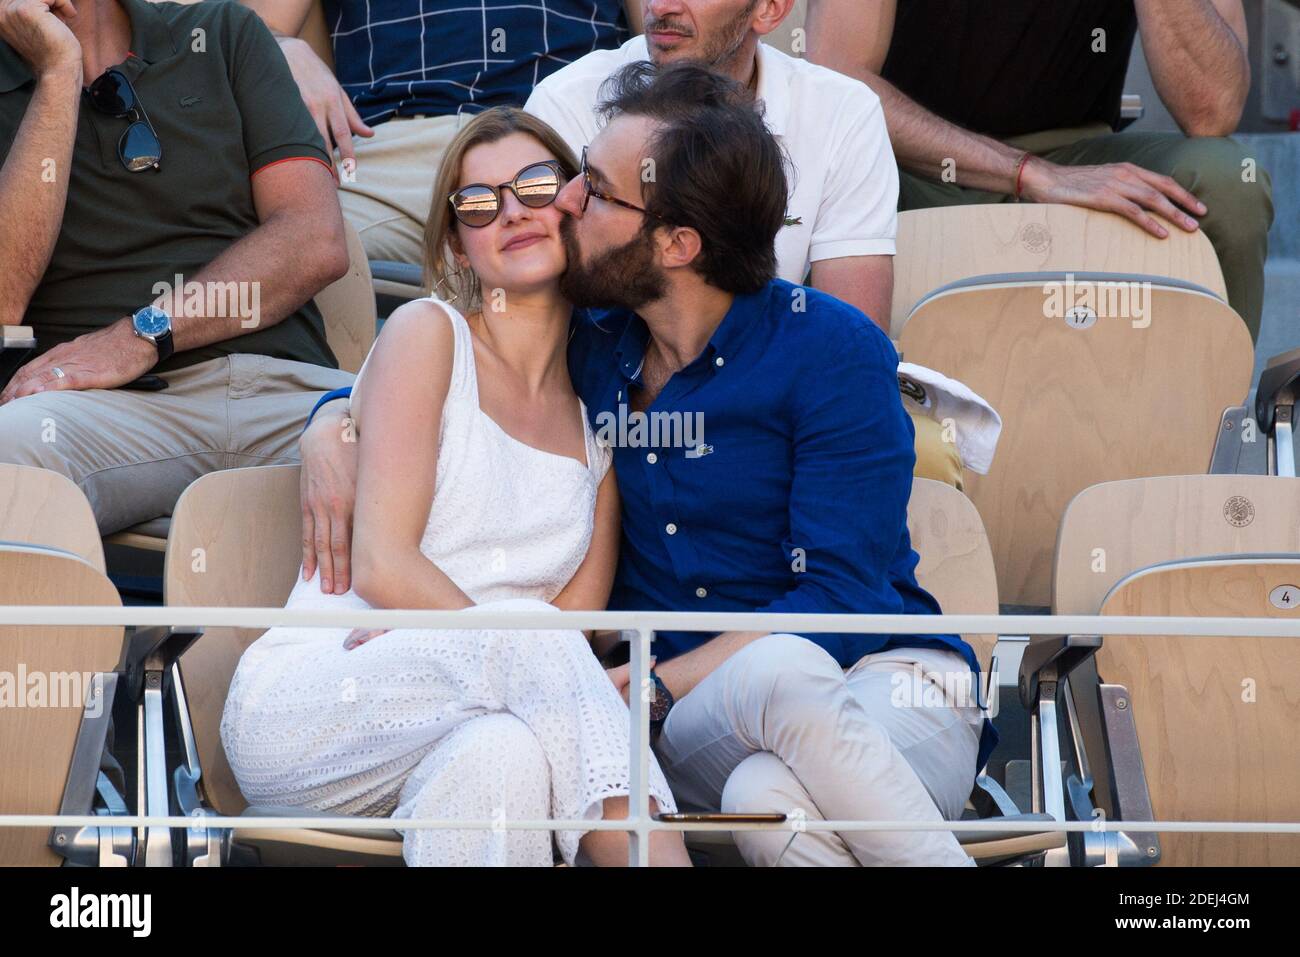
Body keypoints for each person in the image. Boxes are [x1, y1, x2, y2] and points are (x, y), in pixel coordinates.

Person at [302, 62, 996, 866]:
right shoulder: (594, 340)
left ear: (675, 243)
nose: (564, 200)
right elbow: (437, 361)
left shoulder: (832, 351)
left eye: (592, 190)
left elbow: (840, 600)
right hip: (697, 723)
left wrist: (665, 683)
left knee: (771, 766)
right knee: (760, 792)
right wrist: (332, 420)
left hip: (881, 684)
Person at [221, 106, 690, 868]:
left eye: (536, 186)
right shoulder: (428, 333)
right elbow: (382, 566)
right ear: (456, 246)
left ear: (577, 204)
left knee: (501, 757)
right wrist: (487, 637)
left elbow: (574, 625)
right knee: (524, 638)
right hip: (317, 700)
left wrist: (479, 646)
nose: (511, 211)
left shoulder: (600, 411)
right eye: (479, 204)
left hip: (472, 721)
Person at [525, 0, 1001, 489]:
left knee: (914, 450)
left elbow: (852, 348)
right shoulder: (567, 101)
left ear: (771, 10)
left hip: (776, 393)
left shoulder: (843, 110)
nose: (661, 7)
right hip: (607, 397)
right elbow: (544, 326)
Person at [0, 0, 354, 534]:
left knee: (447, 442)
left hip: (285, 389)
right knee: (11, 453)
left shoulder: (221, 32)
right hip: (108, 416)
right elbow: (3, 302)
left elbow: (314, 238)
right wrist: (56, 72)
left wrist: (140, 336)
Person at [805, 0, 1274, 340]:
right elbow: (838, 74)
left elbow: (1213, 113)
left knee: (1228, 181)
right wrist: (1026, 172)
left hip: (1078, 154)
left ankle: (1209, 438)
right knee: (809, 182)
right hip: (911, 165)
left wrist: (1049, 171)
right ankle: (848, 432)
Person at [242, 0, 639, 264]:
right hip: (390, 150)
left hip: (559, 136)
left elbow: (671, 32)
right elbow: (251, 28)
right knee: (284, 255)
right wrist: (285, 49)